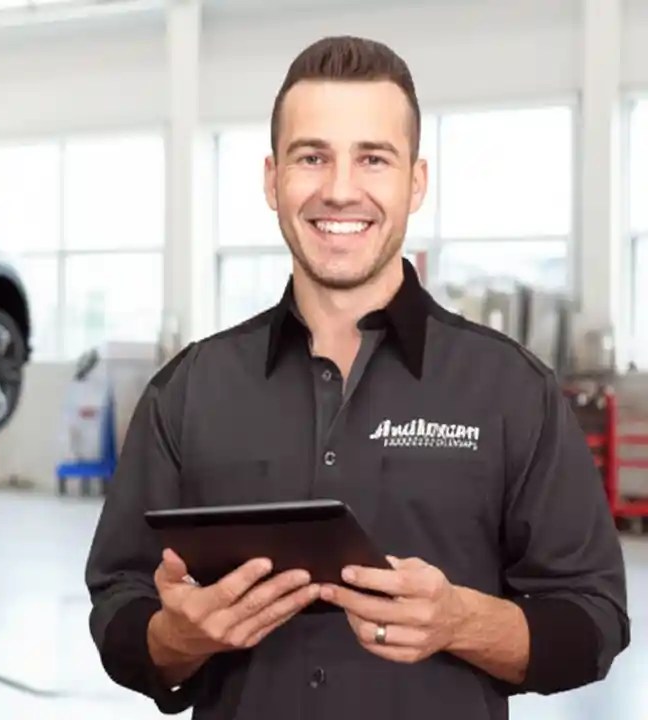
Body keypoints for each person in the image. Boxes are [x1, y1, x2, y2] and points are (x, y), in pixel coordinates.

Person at [84, 35, 629, 719]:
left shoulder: (510, 390)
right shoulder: (189, 390)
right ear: (271, 179)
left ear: (416, 182)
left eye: (373, 158)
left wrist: (461, 620)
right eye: (311, 157)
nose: (340, 189)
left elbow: (594, 620)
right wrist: (174, 638)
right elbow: (118, 602)